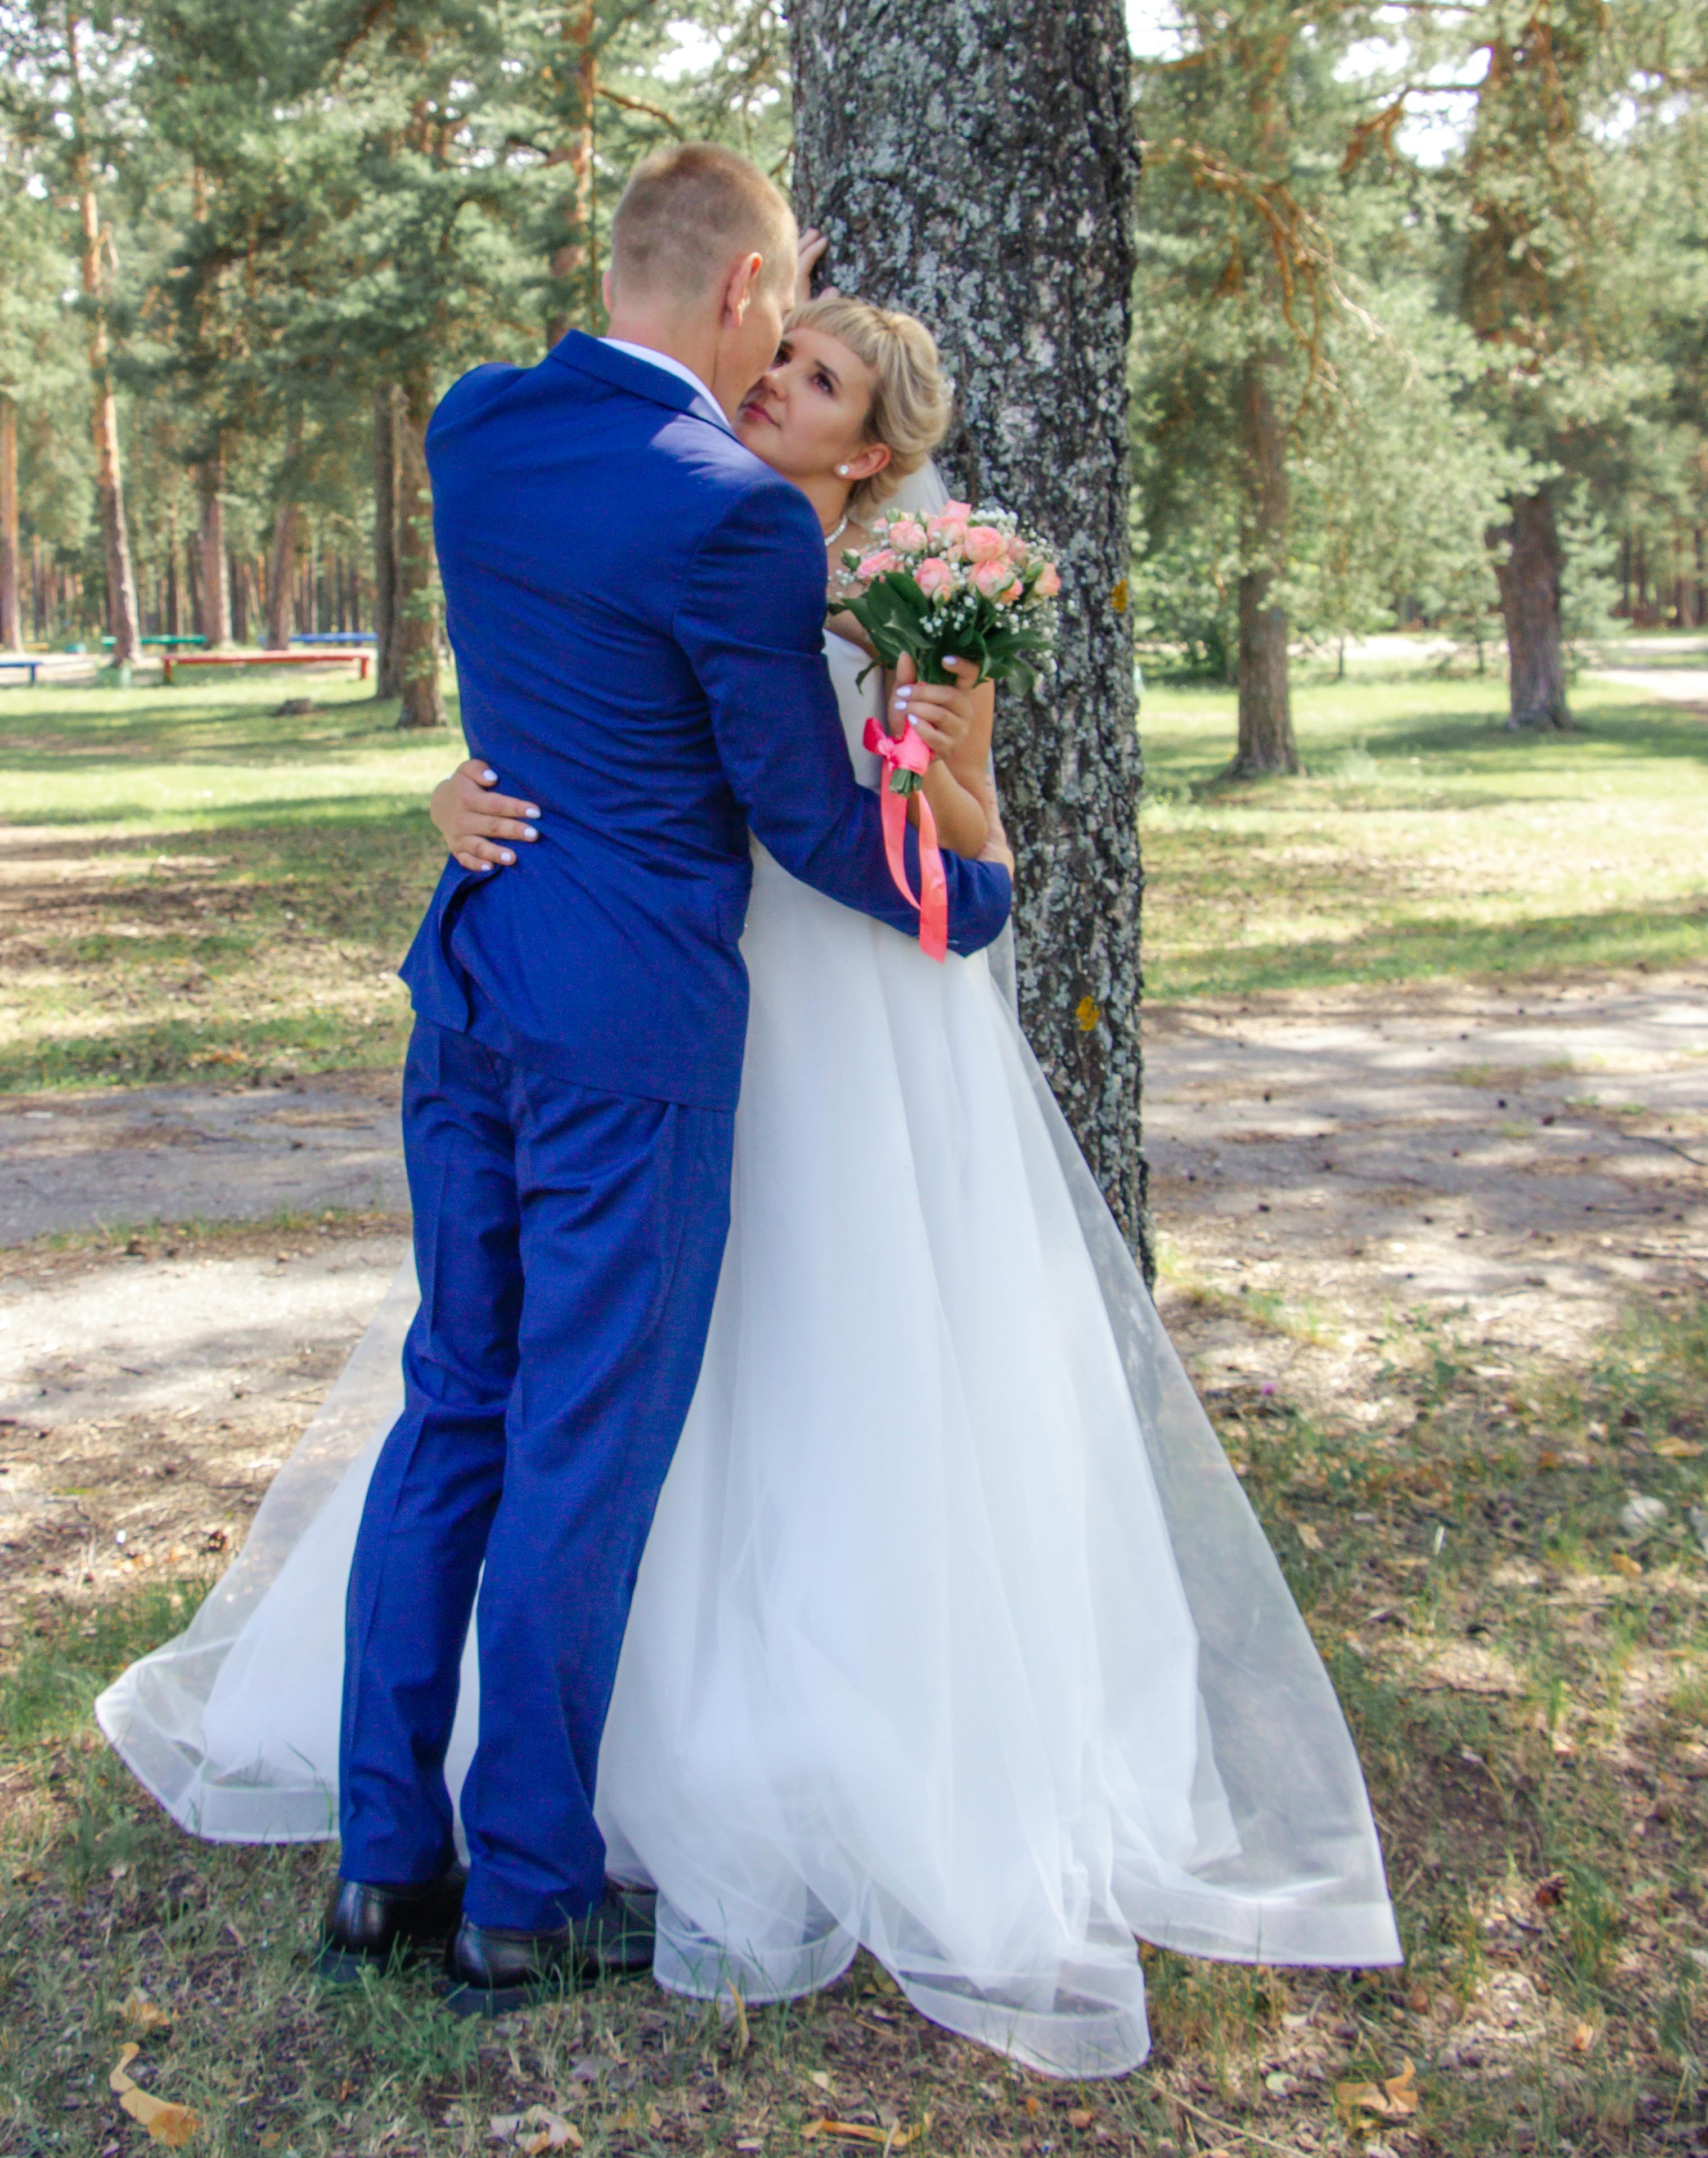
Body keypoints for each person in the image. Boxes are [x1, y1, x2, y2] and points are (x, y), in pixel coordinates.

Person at [100, 219, 1401, 2078]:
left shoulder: (482, 422)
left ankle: (391, 1854)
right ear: (733, 298)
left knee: (466, 1401)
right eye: (779, 342)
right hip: (634, 1011)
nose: (781, 369)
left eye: (818, 376)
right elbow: (791, 808)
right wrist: (969, 901)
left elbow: (682, 701)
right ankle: (523, 1887)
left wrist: (958, 813)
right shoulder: (718, 512)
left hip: (496, 983)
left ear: (869, 448)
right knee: (562, 1424)